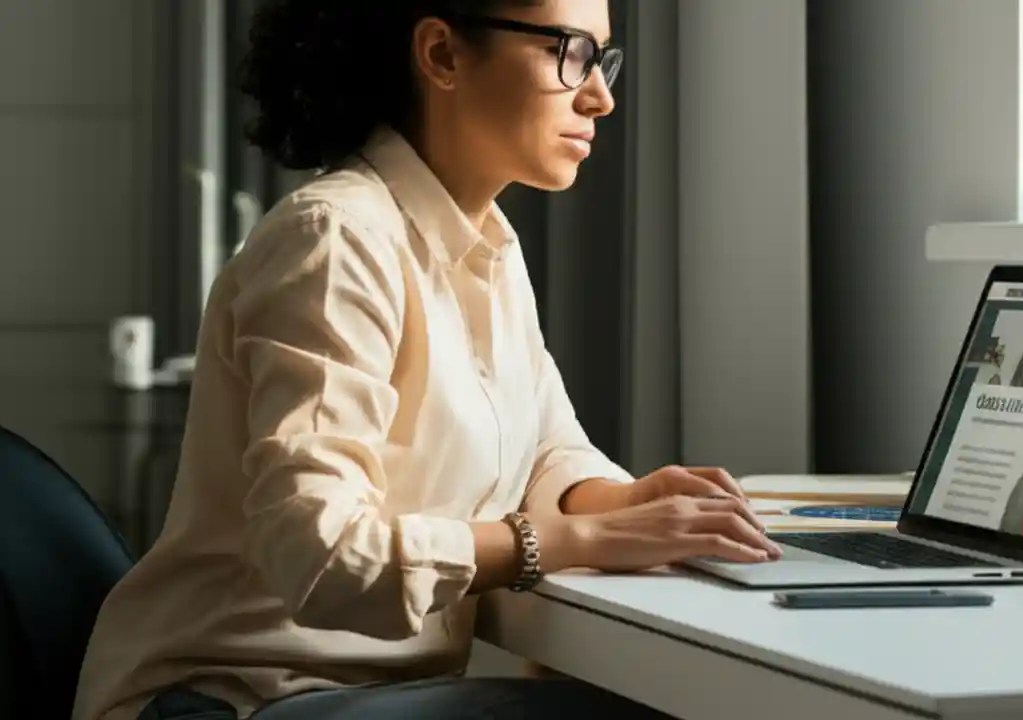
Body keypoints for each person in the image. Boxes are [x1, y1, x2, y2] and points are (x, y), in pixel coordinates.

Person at [72, 1, 782, 718]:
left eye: (602, 59)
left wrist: (627, 502)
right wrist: (579, 538)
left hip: (362, 695)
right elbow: (322, 554)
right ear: (442, 54)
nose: (600, 95)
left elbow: (543, 447)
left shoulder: (490, 246)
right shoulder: (334, 241)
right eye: (568, 52)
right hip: (236, 698)